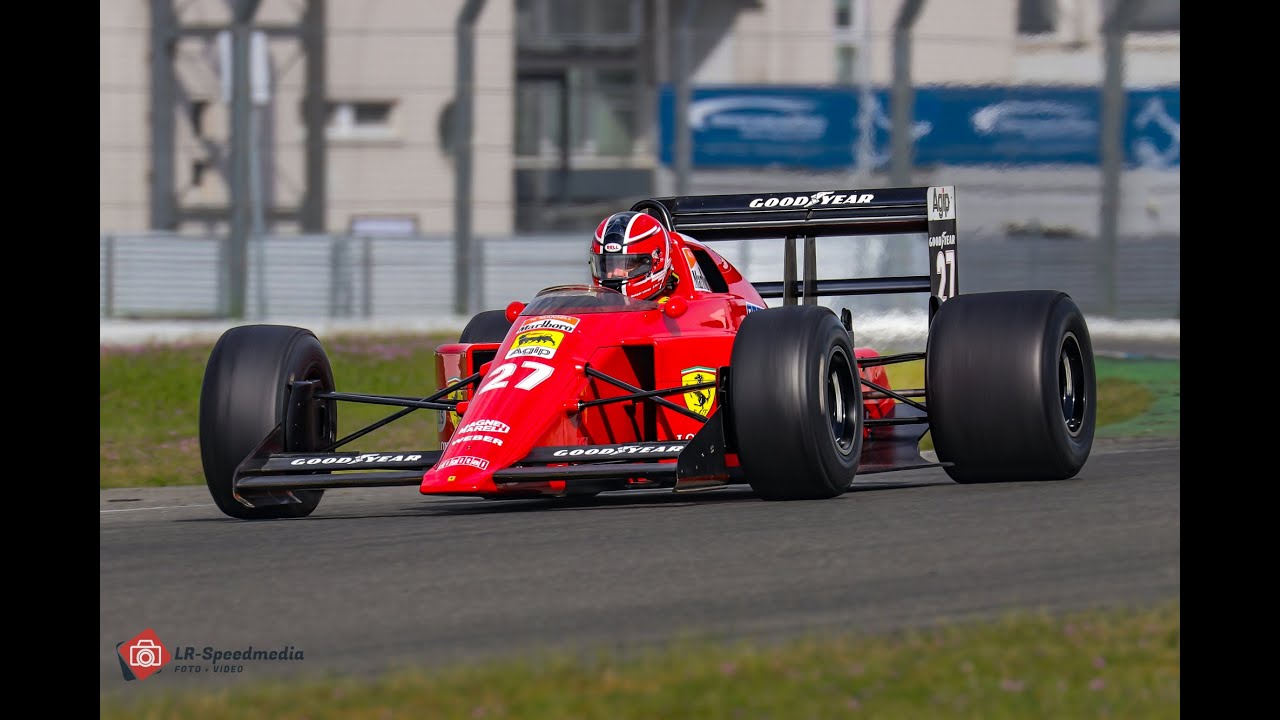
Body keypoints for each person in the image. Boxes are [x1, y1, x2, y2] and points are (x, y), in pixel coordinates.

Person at [588, 210, 711, 301]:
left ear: (657, 261)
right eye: (608, 264)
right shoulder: (591, 308)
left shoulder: (677, 311)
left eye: (627, 264)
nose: (615, 273)